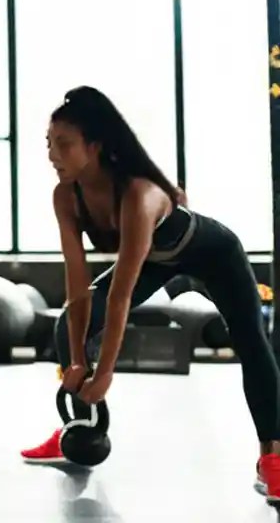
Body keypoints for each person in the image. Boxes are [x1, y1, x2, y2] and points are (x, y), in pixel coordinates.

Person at [22, 85, 280, 501]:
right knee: (71, 323)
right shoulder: (65, 196)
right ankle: (80, 428)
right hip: (157, 262)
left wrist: (104, 372)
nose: (52, 154)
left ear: (95, 146)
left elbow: (121, 293)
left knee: (252, 341)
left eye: (64, 144)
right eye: (48, 143)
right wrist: (75, 361)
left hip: (214, 254)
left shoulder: (138, 194)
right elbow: (77, 284)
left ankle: (273, 457)